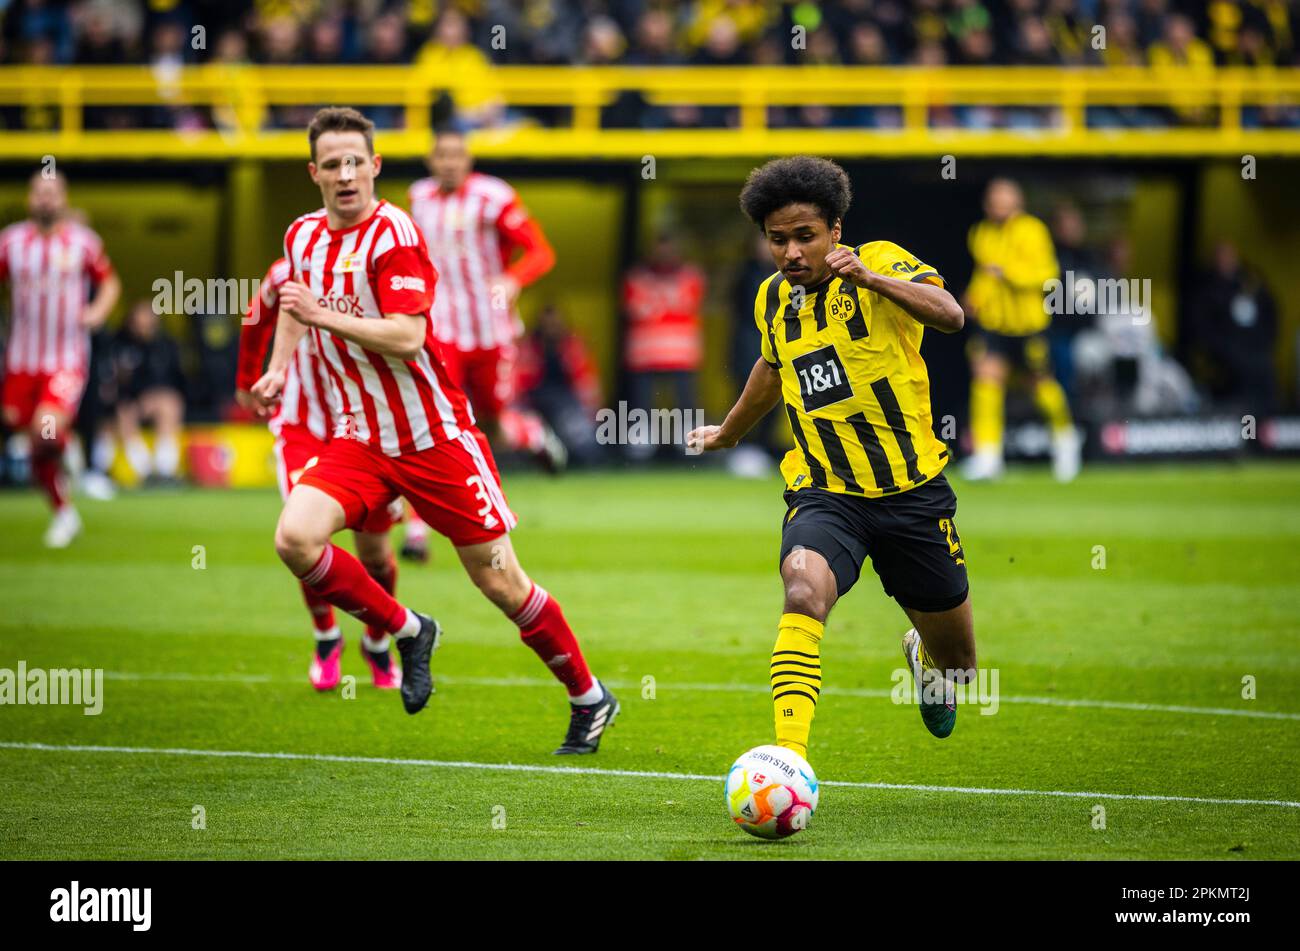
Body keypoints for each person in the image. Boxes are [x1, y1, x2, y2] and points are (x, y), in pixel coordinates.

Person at [251, 107, 616, 753]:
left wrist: (322, 317)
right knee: (294, 539)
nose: (344, 174)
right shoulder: (301, 236)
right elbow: (292, 307)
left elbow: (407, 334)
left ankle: (589, 696)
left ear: (375, 167)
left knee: (500, 580)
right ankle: (410, 627)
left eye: (354, 162)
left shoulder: (394, 234)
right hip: (361, 439)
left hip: (434, 438)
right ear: (314, 172)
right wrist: (278, 370)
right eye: (331, 164)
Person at [687, 155, 976, 764]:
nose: (791, 253)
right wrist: (730, 434)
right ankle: (787, 759)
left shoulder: (883, 261)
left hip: (911, 492)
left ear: (836, 231)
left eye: (804, 237)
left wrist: (870, 280)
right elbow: (772, 369)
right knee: (802, 589)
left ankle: (927, 660)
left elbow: (950, 315)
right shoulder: (773, 300)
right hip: (826, 491)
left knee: (961, 669)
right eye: (777, 240)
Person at [236, 257, 404, 691]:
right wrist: (246, 379)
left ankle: (377, 639)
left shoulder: (377, 267)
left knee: (375, 552)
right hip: (302, 426)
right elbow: (255, 318)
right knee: (304, 538)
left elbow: (408, 333)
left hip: (369, 425)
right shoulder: (284, 272)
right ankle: (326, 637)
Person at [405, 124, 565, 558]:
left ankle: (532, 436)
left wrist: (512, 280)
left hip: (492, 331)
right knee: (438, 423)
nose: (450, 163)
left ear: (469, 159)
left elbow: (540, 252)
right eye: (442, 155)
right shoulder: (418, 199)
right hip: (442, 332)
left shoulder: (493, 196)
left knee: (492, 422)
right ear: (430, 160)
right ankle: (417, 531)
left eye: (457, 155)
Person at [0, 170, 120, 547]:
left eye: (53, 193)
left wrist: (97, 311)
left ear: (64, 198)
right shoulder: (11, 242)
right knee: (34, 441)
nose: (46, 199)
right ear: (29, 199)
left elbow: (110, 282)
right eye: (40, 192)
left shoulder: (82, 243)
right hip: (21, 360)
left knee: (44, 428)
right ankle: (64, 512)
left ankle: (66, 447)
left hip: (66, 358)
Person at [963, 178, 1080, 482]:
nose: (998, 204)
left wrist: (1010, 274)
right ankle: (988, 456)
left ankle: (1065, 441)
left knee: (1041, 385)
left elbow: (1047, 276)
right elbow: (985, 275)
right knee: (986, 382)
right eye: (993, 199)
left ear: (1017, 202)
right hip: (995, 324)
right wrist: (975, 298)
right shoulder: (981, 233)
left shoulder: (1032, 231)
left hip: (1028, 325)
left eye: (1004, 199)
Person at [111, 301, 186, 486]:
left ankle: (165, 470)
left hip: (159, 397)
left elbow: (176, 379)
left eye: (148, 318)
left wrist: (154, 397)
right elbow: (114, 382)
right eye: (140, 318)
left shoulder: (166, 345)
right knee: (124, 413)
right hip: (129, 401)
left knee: (169, 405)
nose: (144, 323)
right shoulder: (119, 344)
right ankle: (144, 472)